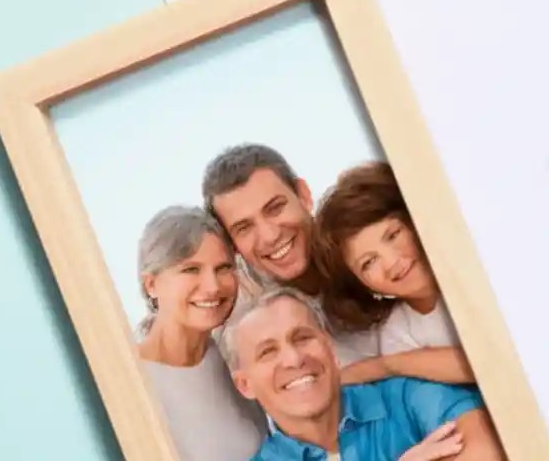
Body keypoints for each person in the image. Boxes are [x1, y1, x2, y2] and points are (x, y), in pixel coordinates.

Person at [219, 286, 505, 461]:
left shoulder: (407, 396)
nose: (294, 359)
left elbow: (487, 450)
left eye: (302, 337)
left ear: (330, 348)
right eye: (268, 352)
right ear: (245, 384)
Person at [201, 144, 382, 366]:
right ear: (232, 245)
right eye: (244, 228)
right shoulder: (231, 313)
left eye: (275, 208)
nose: (269, 236)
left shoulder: (360, 240)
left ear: (303, 195)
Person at [310, 161, 473, 386]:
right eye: (369, 262)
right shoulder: (398, 332)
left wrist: (386, 366)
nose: (392, 261)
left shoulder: (472, 270)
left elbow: (489, 359)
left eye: (393, 235)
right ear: (363, 285)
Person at [134, 205, 269, 461]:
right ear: (151, 284)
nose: (212, 286)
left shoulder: (234, 354)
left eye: (223, 268)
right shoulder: (131, 382)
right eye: (191, 269)